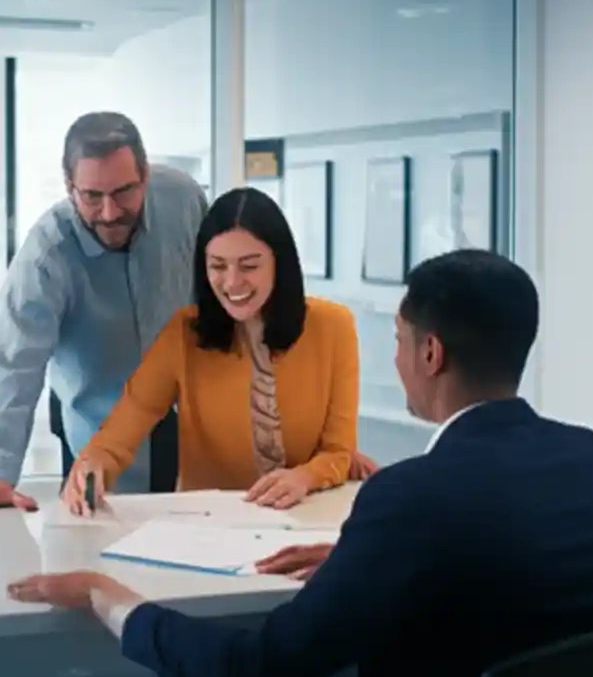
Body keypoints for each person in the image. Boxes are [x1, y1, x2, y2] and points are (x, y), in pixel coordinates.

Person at [7, 249, 593, 677]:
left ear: (431, 352)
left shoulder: (407, 496)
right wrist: (365, 562)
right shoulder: (590, 459)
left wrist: (106, 596)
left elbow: (260, 666)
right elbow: (494, 569)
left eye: (402, 338)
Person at [0, 112, 208, 516]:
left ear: (146, 175)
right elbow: (14, 365)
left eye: (124, 191)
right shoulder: (46, 254)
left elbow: (216, 286)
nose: (109, 212)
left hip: (191, 416)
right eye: (92, 196)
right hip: (98, 426)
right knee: (105, 550)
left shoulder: (183, 199)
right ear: (69, 187)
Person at [63, 187, 378, 514]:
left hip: (304, 517)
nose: (232, 283)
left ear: (279, 263)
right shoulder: (184, 332)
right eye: (218, 266)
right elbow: (128, 422)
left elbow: (339, 451)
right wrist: (94, 461)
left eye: (249, 266)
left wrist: (304, 477)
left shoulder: (334, 327)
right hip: (211, 527)